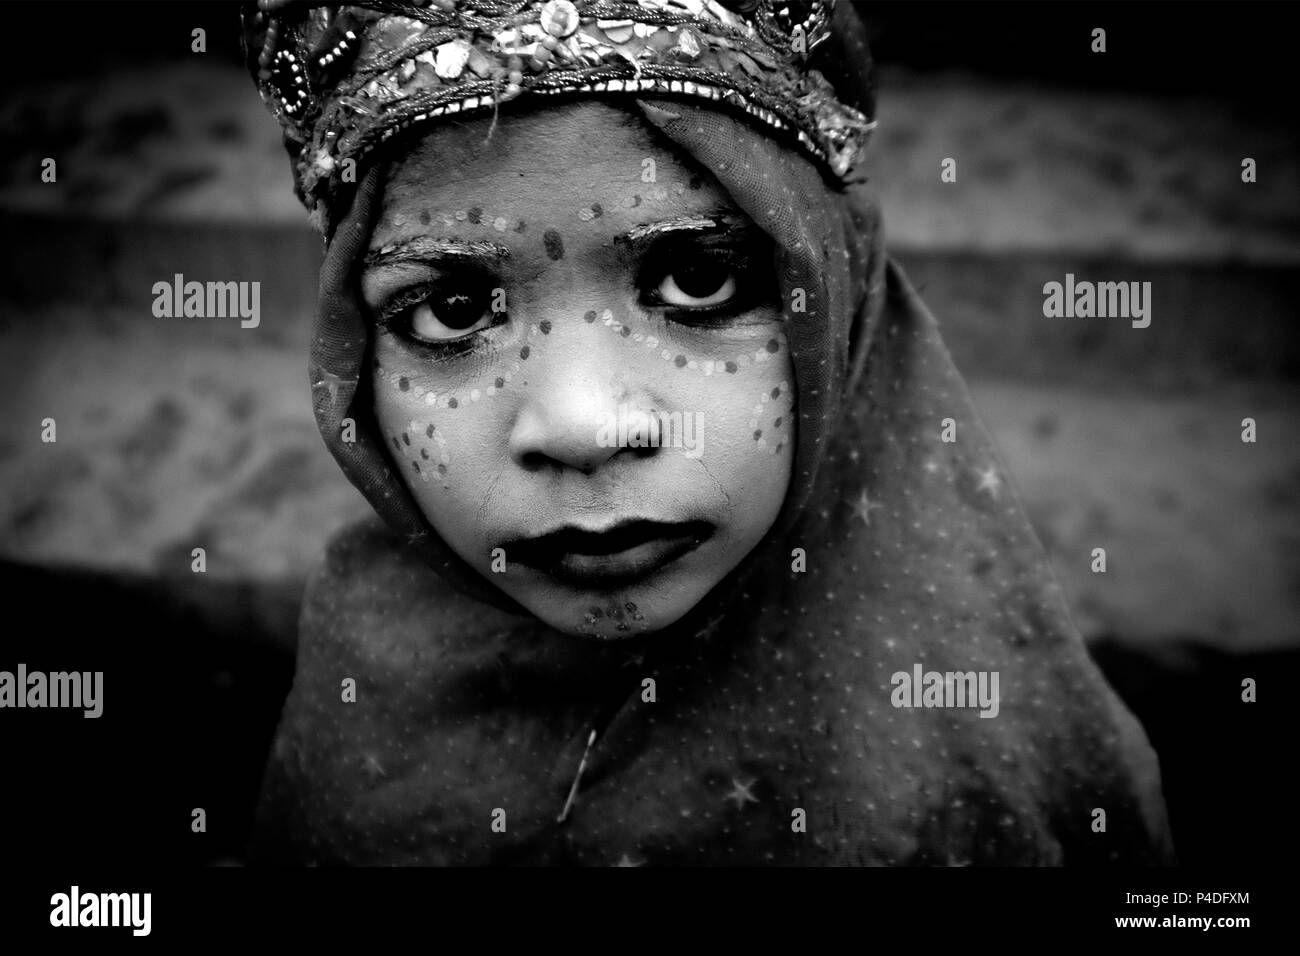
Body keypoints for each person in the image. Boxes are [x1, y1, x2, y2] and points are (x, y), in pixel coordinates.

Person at [244, 0, 1174, 865]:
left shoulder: (997, 789)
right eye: (451, 309)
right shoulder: (357, 717)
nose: (582, 426)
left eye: (700, 280)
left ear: (834, 307)